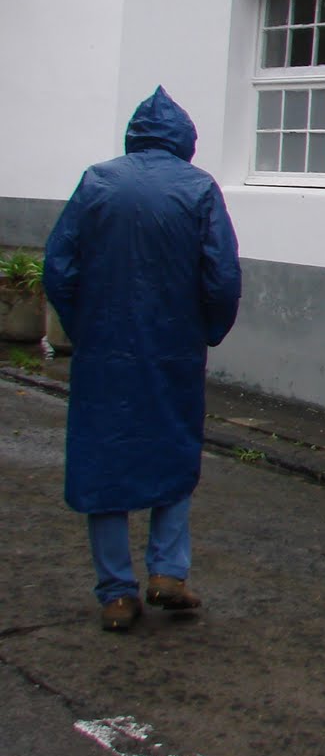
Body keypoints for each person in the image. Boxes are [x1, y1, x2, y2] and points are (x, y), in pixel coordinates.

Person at [44, 86, 242, 632]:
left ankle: (115, 593)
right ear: (185, 142)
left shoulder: (97, 182)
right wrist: (211, 330)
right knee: (173, 449)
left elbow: (59, 267)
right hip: (172, 347)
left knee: (102, 457)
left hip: (104, 349)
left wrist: (81, 325)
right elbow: (221, 275)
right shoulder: (198, 189)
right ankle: (168, 573)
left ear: (134, 136)